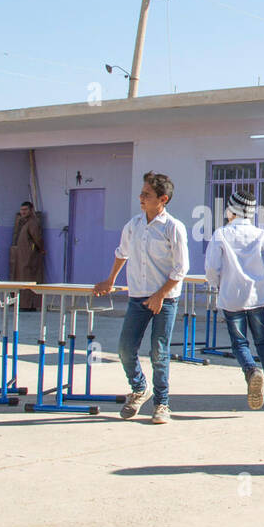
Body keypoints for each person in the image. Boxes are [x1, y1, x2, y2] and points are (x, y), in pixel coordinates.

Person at [93, 171, 189, 424]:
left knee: (159, 352)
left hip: (165, 299)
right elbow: (122, 253)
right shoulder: (133, 225)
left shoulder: (173, 227)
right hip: (138, 297)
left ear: (163, 199)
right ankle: (139, 388)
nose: (141, 198)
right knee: (125, 348)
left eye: (147, 194)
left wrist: (160, 295)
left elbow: (180, 269)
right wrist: (110, 280)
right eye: (142, 193)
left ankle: (162, 404)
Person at [204, 188, 264, 409]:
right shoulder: (261, 235)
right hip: (257, 297)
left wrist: (217, 285)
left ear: (231, 211)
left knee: (239, 343)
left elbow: (211, 267)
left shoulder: (221, 234)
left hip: (231, 298)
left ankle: (251, 370)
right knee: (263, 343)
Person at [9, 200, 45, 309]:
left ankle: (29, 304)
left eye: (25, 210)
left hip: (29, 258)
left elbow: (37, 238)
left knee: (28, 280)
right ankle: (22, 303)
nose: (23, 212)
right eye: (22, 210)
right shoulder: (23, 222)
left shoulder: (33, 222)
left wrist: (42, 249)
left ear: (31, 210)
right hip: (21, 257)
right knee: (21, 279)